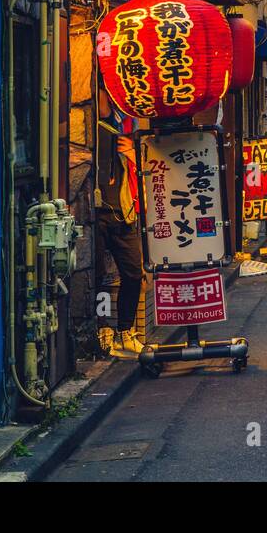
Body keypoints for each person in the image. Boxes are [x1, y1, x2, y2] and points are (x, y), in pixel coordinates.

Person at [95, 102, 147, 359]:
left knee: (133, 273)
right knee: (98, 277)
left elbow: (144, 172)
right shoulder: (95, 132)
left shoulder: (129, 128)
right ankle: (102, 332)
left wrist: (133, 156)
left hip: (124, 213)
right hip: (98, 213)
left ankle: (125, 331)